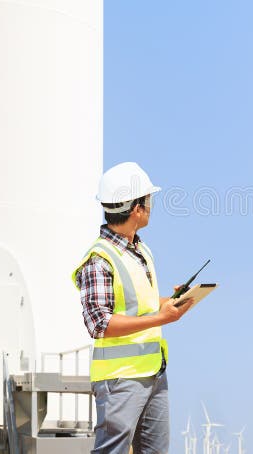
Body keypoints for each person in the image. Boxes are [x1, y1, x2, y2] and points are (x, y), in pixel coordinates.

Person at [72, 162, 192, 454]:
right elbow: (99, 323)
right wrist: (158, 318)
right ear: (137, 209)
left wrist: (170, 303)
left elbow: (142, 307)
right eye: (148, 200)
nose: (151, 205)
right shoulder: (100, 259)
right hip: (120, 379)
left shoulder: (139, 249)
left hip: (153, 373)